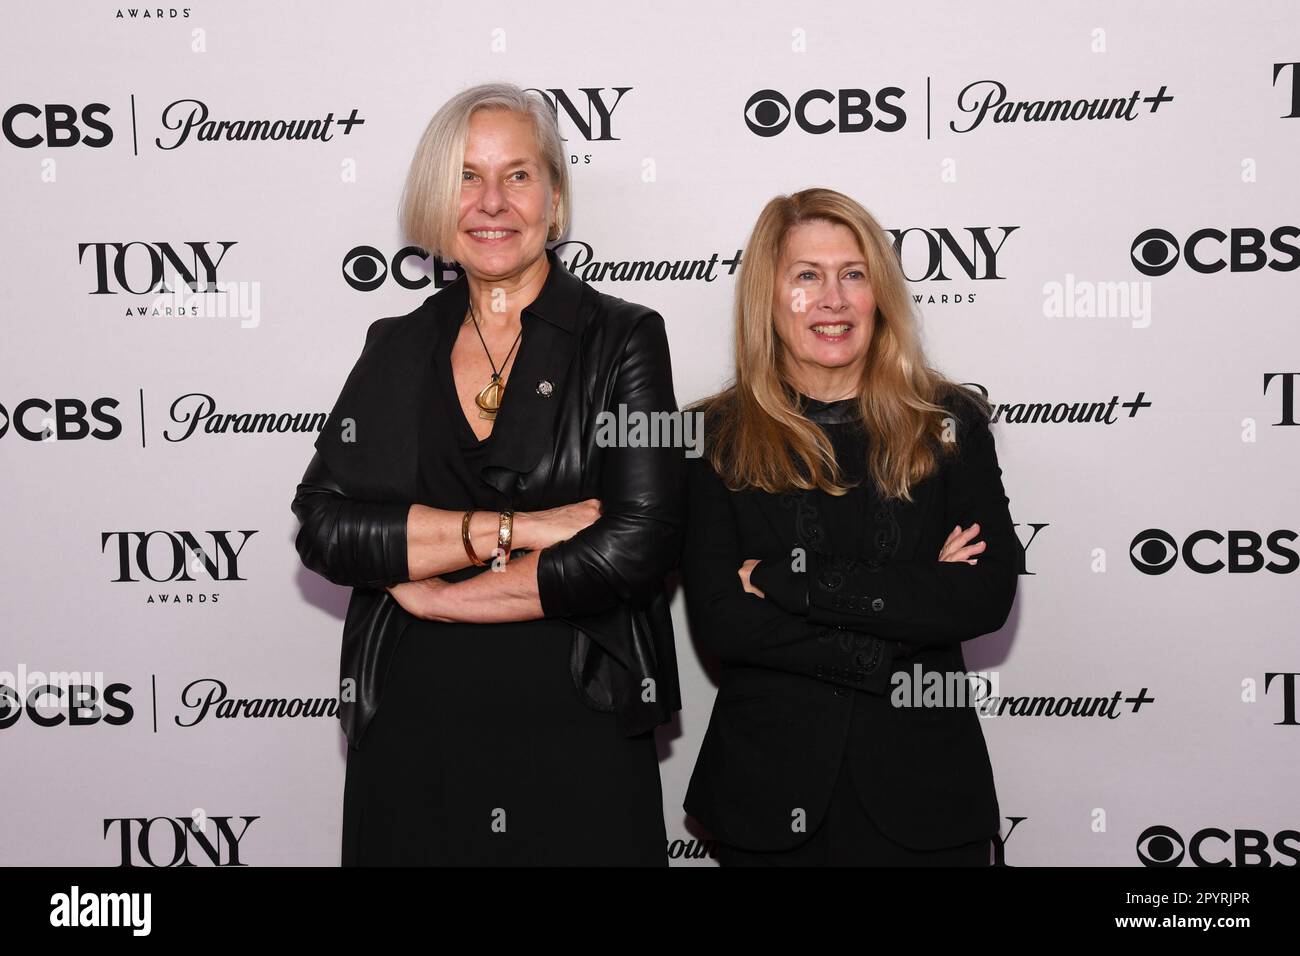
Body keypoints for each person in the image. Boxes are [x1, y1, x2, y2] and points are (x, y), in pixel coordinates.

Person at [290, 82, 683, 866]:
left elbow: (638, 545)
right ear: (439, 203)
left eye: (517, 175)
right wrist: (520, 529)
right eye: (466, 176)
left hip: (575, 717)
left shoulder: (625, 338)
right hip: (412, 724)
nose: (491, 202)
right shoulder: (397, 345)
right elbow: (324, 527)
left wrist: (440, 598)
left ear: (555, 200)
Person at [681, 187, 1018, 866]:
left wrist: (785, 583)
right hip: (765, 796)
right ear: (768, 298)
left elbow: (981, 597)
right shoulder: (712, 436)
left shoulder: (948, 423)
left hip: (927, 796)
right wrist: (915, 597)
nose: (832, 299)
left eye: (853, 275)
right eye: (807, 276)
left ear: (879, 295)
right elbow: (724, 622)